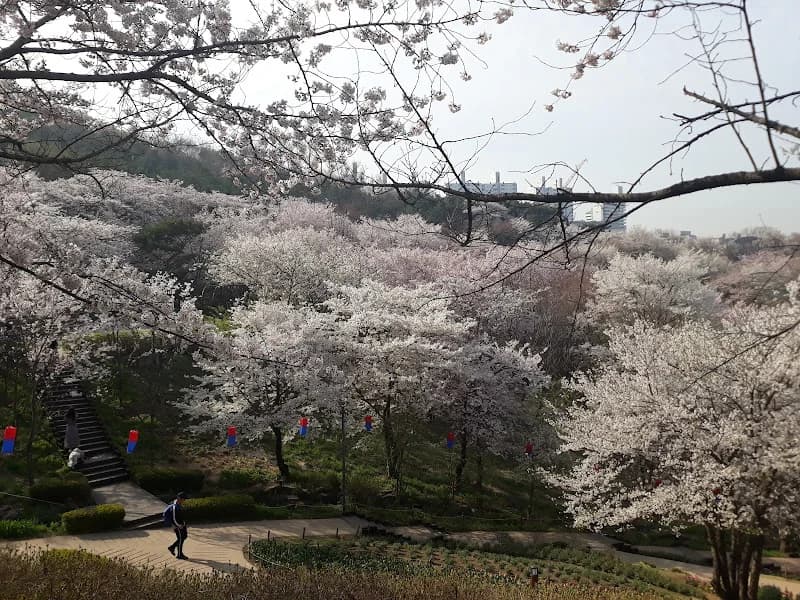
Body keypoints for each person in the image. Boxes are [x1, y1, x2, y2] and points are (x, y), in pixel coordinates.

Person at [166, 492, 189, 560]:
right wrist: (178, 526)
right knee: (181, 539)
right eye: (183, 499)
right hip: (178, 526)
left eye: (184, 499)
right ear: (179, 498)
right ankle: (179, 554)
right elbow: (174, 518)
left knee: (184, 536)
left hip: (182, 524)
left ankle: (172, 547)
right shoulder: (174, 507)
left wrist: (184, 523)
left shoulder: (179, 504)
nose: (184, 500)